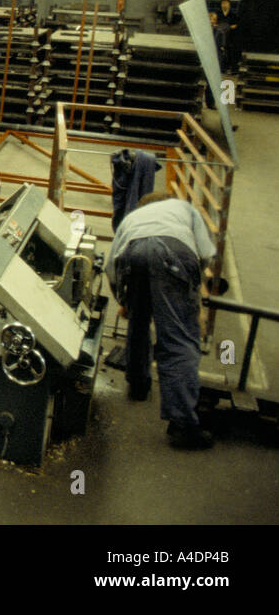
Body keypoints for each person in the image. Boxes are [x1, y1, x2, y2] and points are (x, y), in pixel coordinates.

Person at [108, 191, 217, 449]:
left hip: (132, 253)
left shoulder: (133, 218)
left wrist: (124, 301)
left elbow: (112, 266)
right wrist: (190, 290)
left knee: (138, 321)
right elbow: (205, 252)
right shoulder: (183, 207)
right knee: (178, 339)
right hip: (174, 250)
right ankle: (183, 426)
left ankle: (138, 384)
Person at [217, 0, 241, 73]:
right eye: (223, 3)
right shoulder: (218, 14)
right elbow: (215, 24)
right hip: (220, 36)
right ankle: (222, 68)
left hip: (230, 36)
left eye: (226, 3)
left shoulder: (233, 15)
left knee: (230, 52)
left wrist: (227, 27)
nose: (224, 5)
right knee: (221, 52)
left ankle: (231, 68)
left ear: (229, 5)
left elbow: (236, 25)